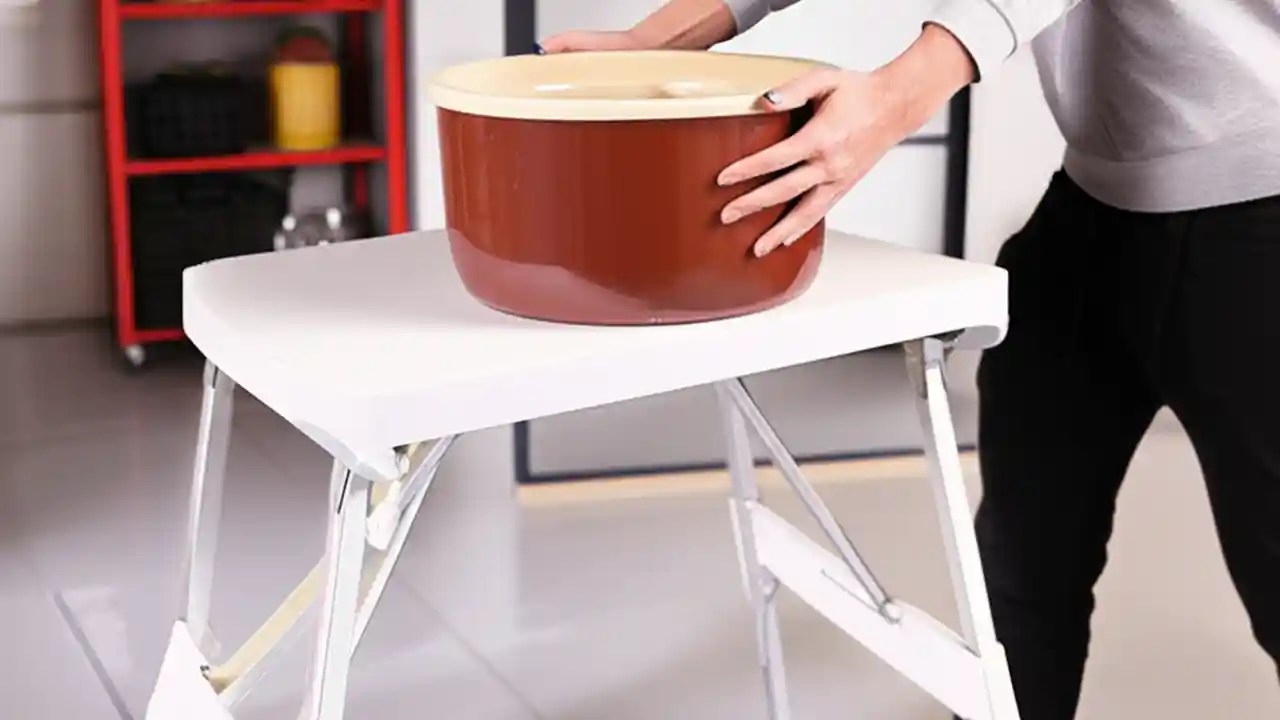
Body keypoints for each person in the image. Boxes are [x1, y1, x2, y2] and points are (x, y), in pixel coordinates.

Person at [539, 1, 1280, 717]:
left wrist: (890, 102)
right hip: (1091, 210)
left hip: (1261, 217)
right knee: (1021, 577)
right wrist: (658, 41)